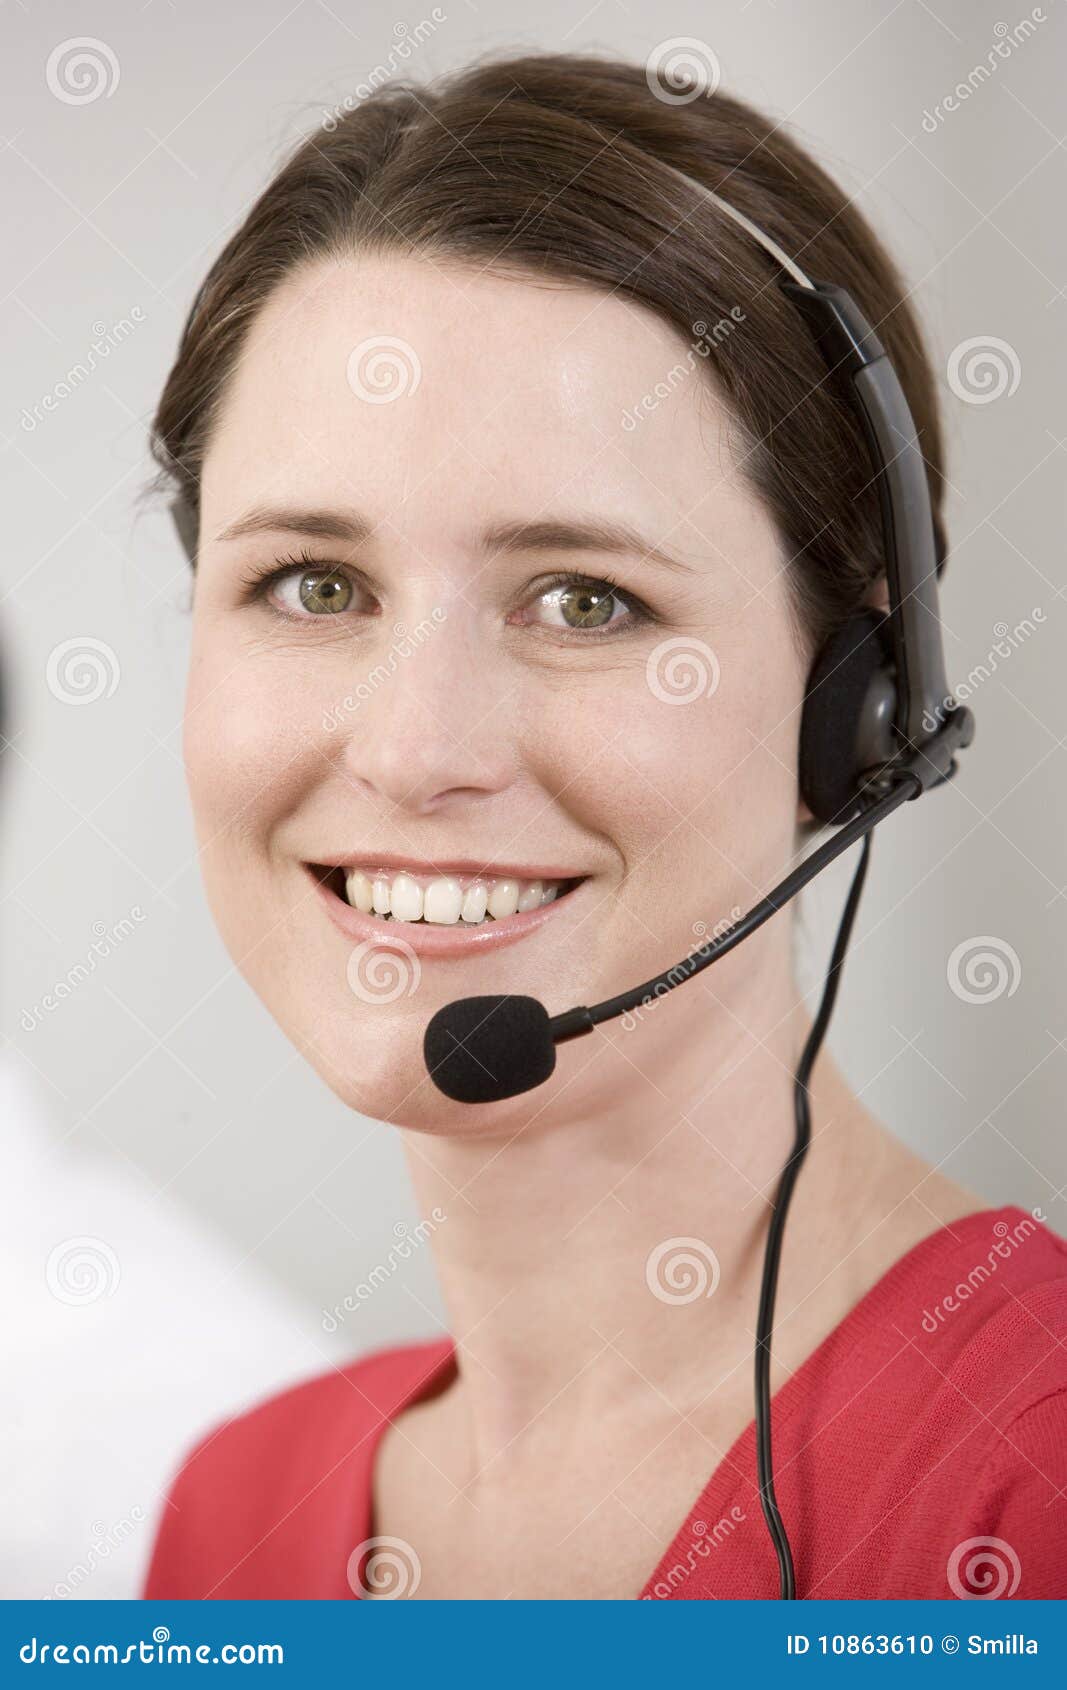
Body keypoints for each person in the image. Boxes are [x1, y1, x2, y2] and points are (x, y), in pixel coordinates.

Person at [140, 51, 1067, 1600]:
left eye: (587, 599)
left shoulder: (1024, 1483)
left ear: (860, 703)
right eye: (316, 584)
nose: (415, 747)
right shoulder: (235, 1510)